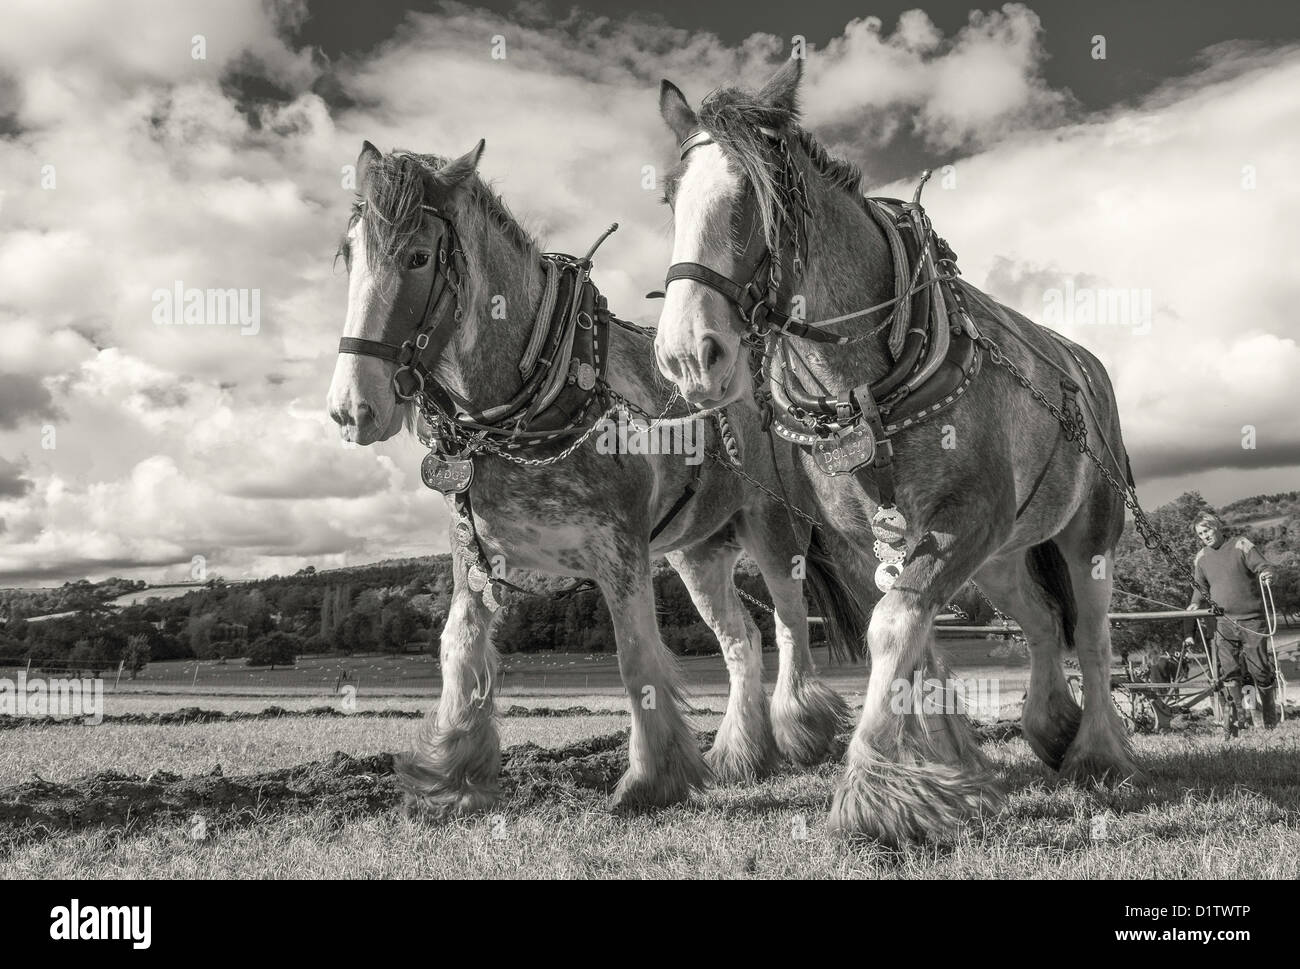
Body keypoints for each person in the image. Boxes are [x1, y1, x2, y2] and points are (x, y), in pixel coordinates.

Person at [1184, 512, 1278, 735]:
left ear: (1216, 526)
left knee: (1260, 670)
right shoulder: (1201, 557)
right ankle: (1240, 719)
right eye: (1200, 534)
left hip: (1251, 620)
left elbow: (1263, 565)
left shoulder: (1240, 545)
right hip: (1222, 622)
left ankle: (1270, 719)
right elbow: (1199, 587)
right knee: (1229, 671)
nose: (1204, 536)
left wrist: (1267, 574)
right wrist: (1195, 603)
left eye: (1206, 531)